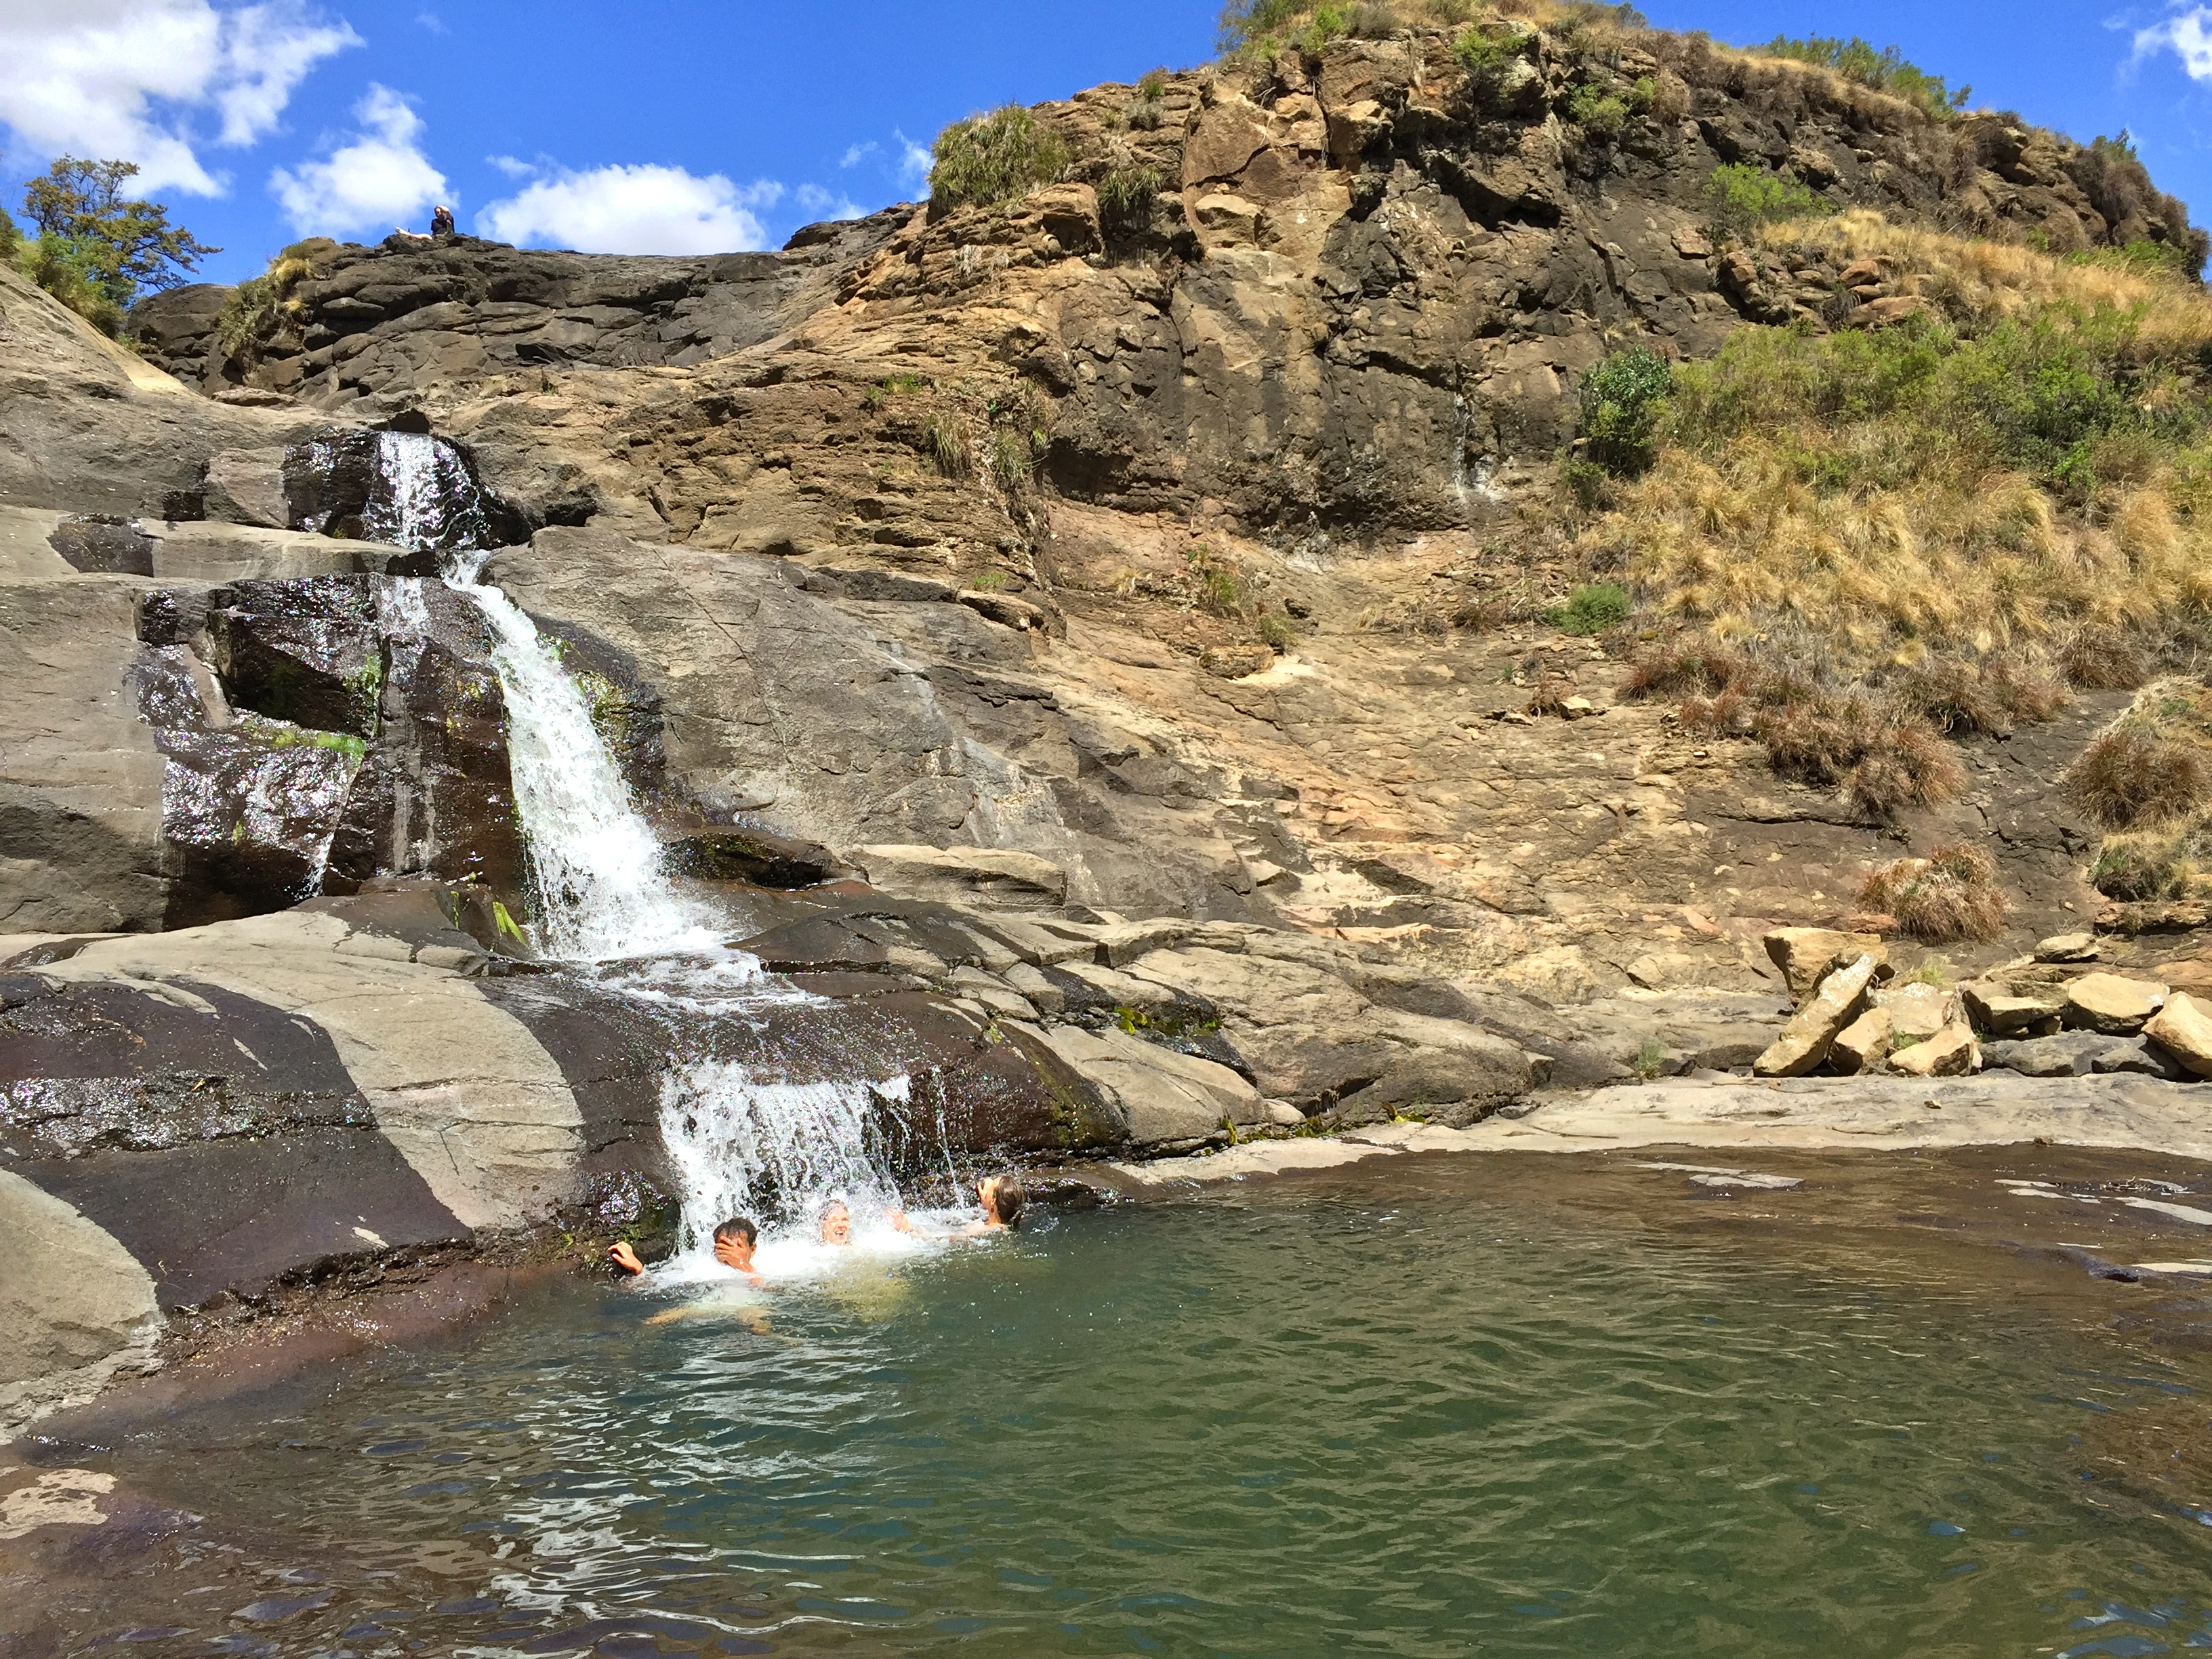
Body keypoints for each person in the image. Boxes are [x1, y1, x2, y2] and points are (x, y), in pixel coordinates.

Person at [609, 1216, 760, 1283]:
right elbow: (660, 1286)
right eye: (724, 1247)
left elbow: (770, 1291)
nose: (729, 1254)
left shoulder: (770, 1266)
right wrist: (638, 1271)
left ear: (752, 1250)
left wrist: (742, 1265)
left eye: (737, 1248)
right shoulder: (703, 1268)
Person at [891, 1173, 1025, 1238]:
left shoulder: (989, 1231)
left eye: (992, 1186)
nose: (988, 1183)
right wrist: (986, 1202)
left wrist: (908, 1230)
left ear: (994, 1201)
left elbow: (943, 1242)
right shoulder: (996, 1224)